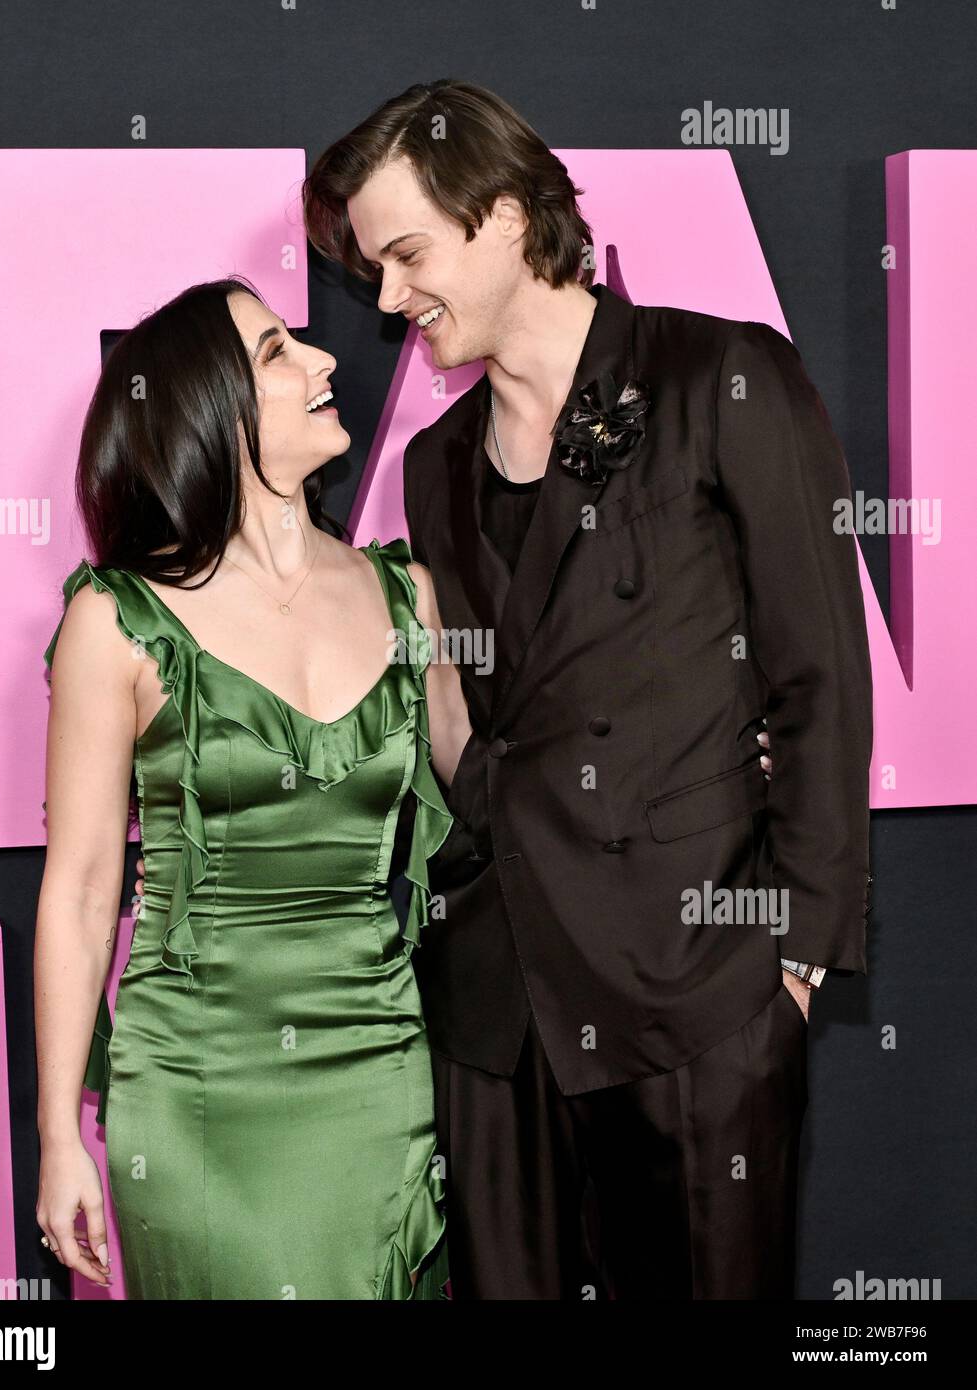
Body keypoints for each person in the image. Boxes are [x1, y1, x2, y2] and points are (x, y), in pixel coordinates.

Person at [296, 79, 873, 1299]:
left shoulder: (718, 377)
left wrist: (789, 968)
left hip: (691, 982)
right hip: (498, 1011)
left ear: (504, 215)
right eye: (373, 270)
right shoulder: (434, 461)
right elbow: (469, 714)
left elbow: (818, 673)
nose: (388, 297)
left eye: (405, 255)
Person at [35, 275, 468, 1299]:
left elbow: (494, 784)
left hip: (380, 1077)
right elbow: (84, 885)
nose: (322, 362)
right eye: (277, 351)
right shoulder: (119, 620)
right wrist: (59, 1131)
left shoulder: (407, 594)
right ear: (202, 411)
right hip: (195, 1092)